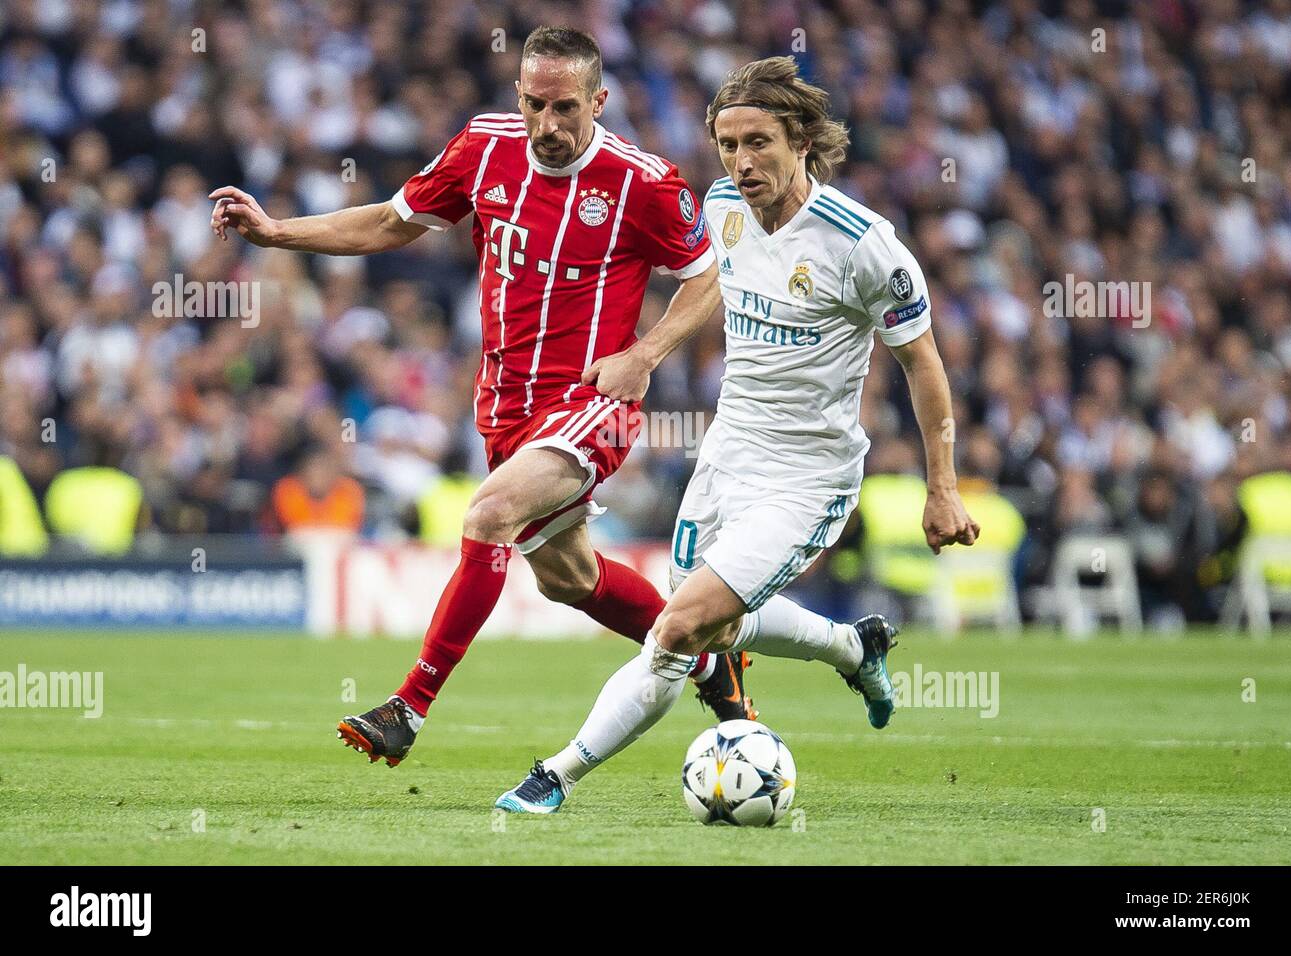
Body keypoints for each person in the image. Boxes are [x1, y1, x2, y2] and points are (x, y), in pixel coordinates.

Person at [210, 27, 767, 769]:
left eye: (566, 106)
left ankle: (408, 706)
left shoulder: (645, 182)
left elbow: (708, 277)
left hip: (592, 401)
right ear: (518, 96)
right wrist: (278, 234)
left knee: (490, 515)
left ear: (598, 100)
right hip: (505, 409)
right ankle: (708, 663)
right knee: (570, 578)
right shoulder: (483, 148)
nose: (548, 123)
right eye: (535, 104)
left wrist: (644, 356)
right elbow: (387, 222)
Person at [497, 57, 979, 813]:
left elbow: (924, 364)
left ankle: (555, 775)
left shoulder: (864, 245)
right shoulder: (721, 205)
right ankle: (856, 648)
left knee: (679, 627)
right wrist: (646, 353)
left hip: (807, 475)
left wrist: (941, 488)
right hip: (726, 453)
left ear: (803, 141)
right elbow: (698, 286)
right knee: (709, 627)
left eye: (759, 142)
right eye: (727, 143)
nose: (740, 161)